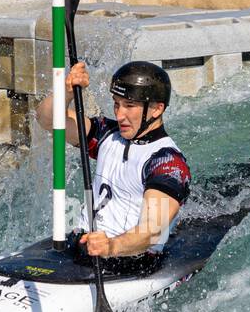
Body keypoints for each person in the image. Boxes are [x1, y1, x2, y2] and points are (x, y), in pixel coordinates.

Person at [35, 60, 191, 276]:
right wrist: (67, 91)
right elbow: (48, 120)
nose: (119, 115)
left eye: (129, 105)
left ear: (156, 109)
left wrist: (110, 246)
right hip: (83, 248)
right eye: (117, 103)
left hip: (129, 261)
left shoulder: (167, 162)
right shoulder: (106, 134)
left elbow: (152, 232)